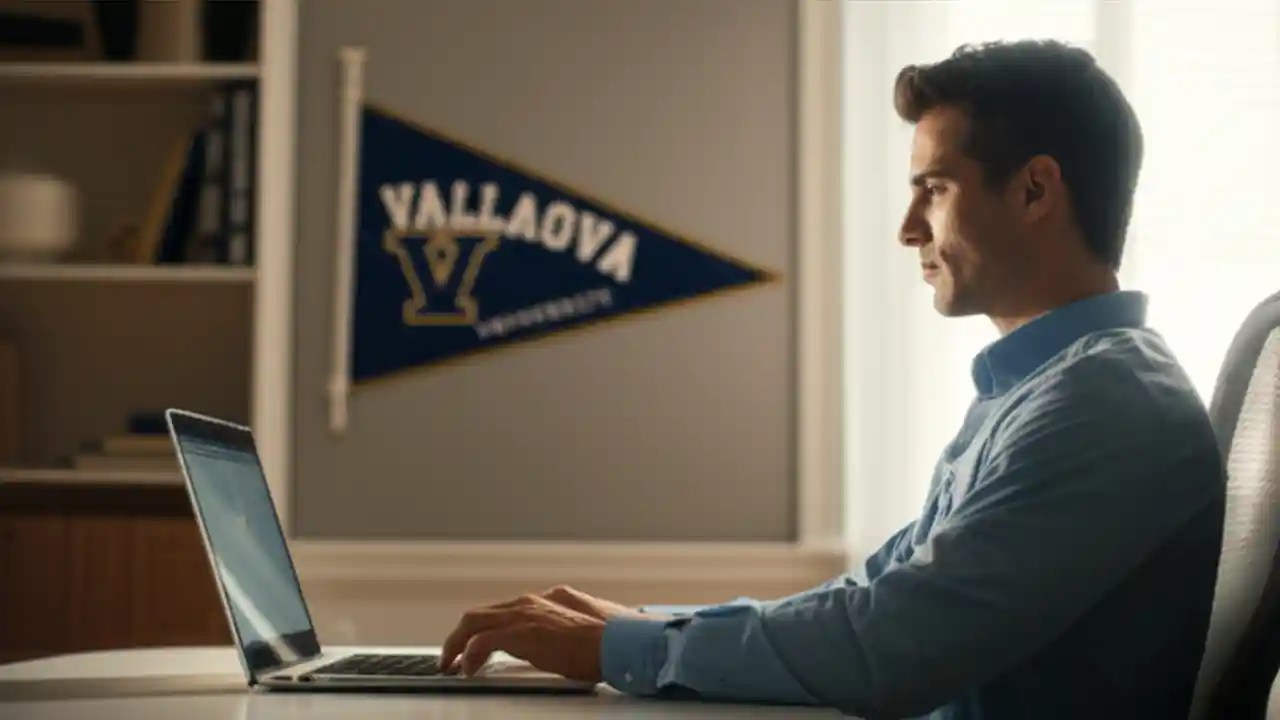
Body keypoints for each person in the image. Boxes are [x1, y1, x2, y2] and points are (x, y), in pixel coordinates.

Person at [438, 40, 1226, 719]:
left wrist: (618, 645)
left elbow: (888, 647)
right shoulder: (1044, 389)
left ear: (1034, 190)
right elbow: (869, 601)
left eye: (935, 188)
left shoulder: (1104, 405)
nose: (908, 227)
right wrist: (637, 627)